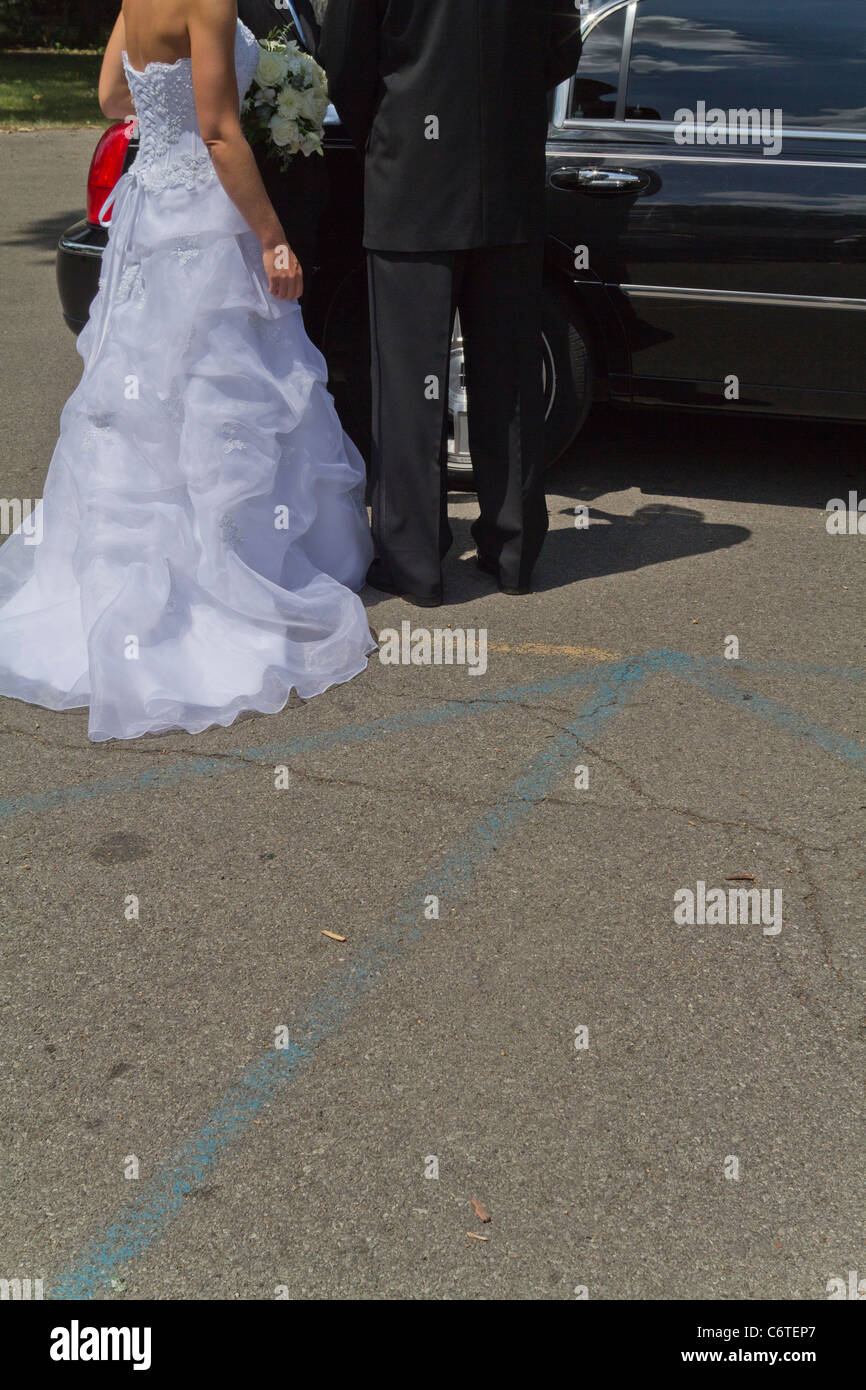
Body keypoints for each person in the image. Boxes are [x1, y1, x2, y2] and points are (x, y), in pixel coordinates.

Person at [0, 0, 376, 742]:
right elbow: (218, 131)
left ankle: (120, 570)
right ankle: (220, 575)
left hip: (146, 217)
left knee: (139, 399)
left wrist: (169, 105)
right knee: (216, 393)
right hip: (205, 219)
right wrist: (273, 239)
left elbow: (113, 96)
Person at [320, 0, 583, 606]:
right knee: (509, 380)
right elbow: (563, 43)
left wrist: (387, 126)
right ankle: (514, 552)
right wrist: (505, 100)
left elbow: (344, 59)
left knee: (409, 389)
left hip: (412, 178)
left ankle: (414, 563)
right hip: (507, 181)